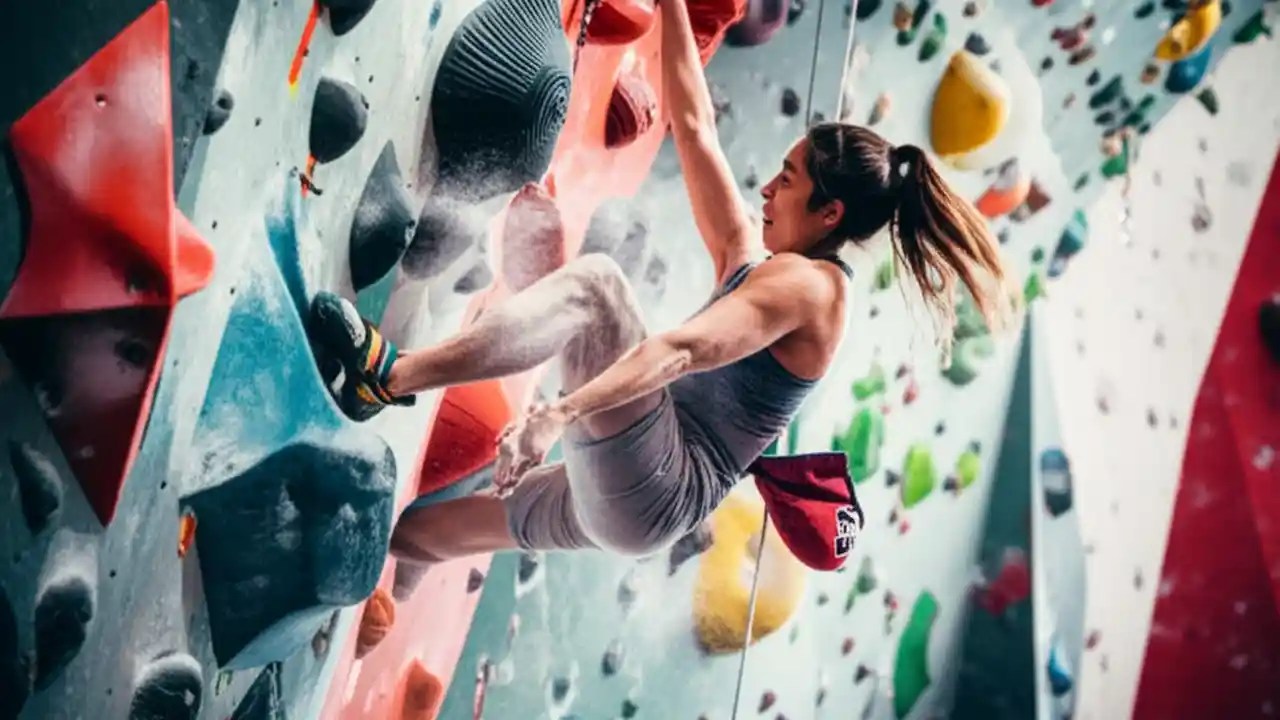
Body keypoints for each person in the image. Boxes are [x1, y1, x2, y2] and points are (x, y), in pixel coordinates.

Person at [309, 0, 1010, 602]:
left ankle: (386, 376)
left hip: (655, 482)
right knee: (428, 534)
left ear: (829, 213)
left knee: (599, 288)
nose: (768, 186)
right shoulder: (765, 266)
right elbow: (696, 122)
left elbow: (680, 351)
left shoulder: (814, 291)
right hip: (636, 487)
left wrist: (554, 416)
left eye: (788, 179)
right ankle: (365, 578)